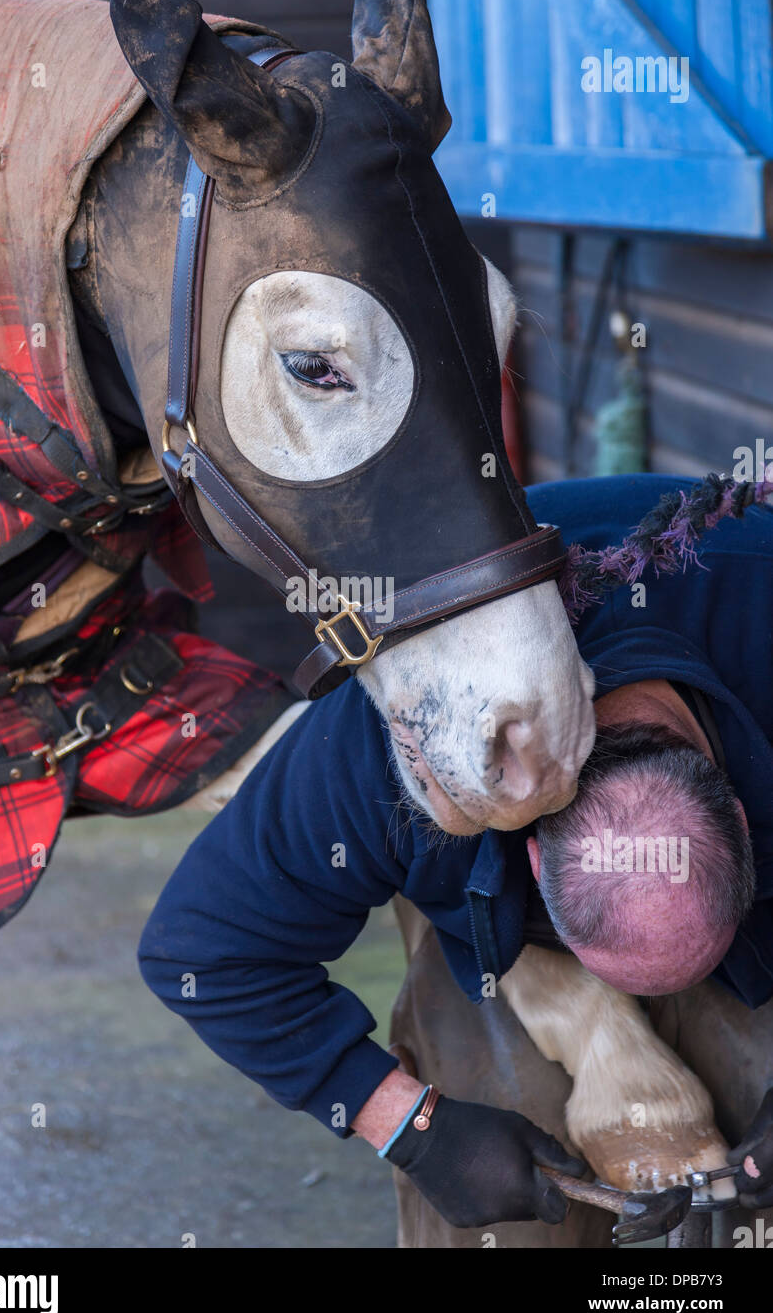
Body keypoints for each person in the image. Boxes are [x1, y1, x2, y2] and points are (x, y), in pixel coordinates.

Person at [138, 473, 773, 1231]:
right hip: (482, 887)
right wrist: (411, 1131)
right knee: (505, 1152)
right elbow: (202, 951)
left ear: (740, 817)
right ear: (535, 864)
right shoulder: (385, 747)